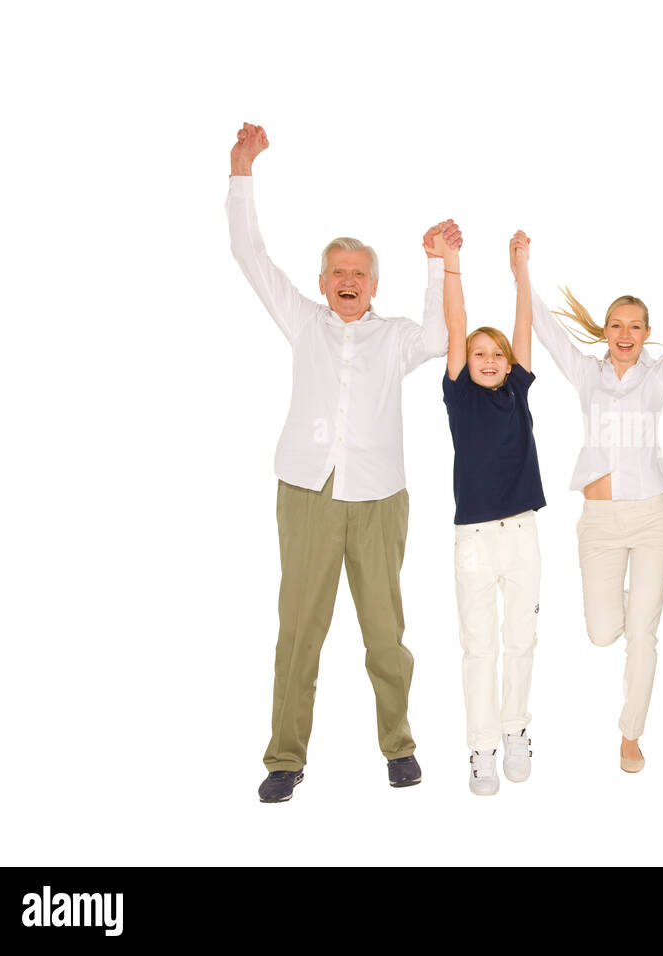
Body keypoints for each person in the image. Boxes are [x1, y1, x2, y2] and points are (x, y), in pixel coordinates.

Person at [227, 122, 450, 802]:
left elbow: (443, 336)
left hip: (380, 498)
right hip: (307, 493)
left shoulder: (396, 338)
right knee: (299, 631)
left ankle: (399, 747)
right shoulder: (303, 321)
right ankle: (284, 758)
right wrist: (242, 169)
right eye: (338, 273)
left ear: (373, 282)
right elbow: (250, 253)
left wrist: (438, 262)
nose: (348, 282)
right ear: (322, 282)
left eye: (359, 273)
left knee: (386, 634)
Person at [529, 248, 663, 772]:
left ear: (645, 333)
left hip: (652, 519)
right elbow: (546, 329)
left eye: (635, 327)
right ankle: (634, 596)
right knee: (602, 631)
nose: (624, 334)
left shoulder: (658, 376)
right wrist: (520, 269)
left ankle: (631, 734)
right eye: (616, 325)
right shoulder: (585, 372)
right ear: (606, 330)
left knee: (643, 633)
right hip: (598, 524)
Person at [436, 227, 546, 796]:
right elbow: (457, 322)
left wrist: (519, 269)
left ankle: (517, 731)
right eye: (478, 353)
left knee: (520, 639)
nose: (486, 359)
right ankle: (482, 747)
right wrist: (453, 260)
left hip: (522, 529)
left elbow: (523, 323)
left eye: (495, 353)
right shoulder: (460, 393)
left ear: (508, 363)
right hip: (475, 536)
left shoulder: (518, 389)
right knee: (479, 643)